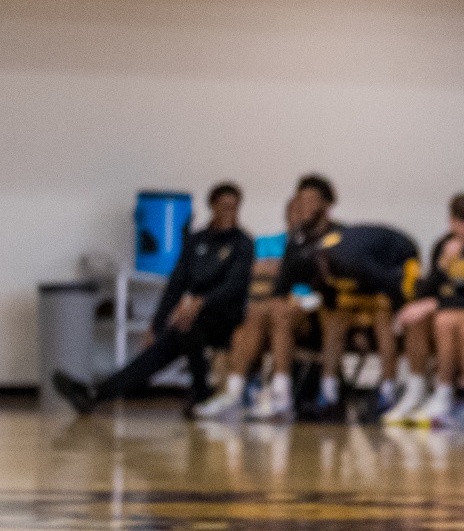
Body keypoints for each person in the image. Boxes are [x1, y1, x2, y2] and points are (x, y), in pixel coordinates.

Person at [54, 183, 254, 416]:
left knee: (187, 327)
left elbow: (233, 286)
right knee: (161, 348)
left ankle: (200, 394)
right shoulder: (196, 241)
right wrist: (156, 324)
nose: (229, 212)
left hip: (226, 319)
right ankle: (96, 394)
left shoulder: (242, 244)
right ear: (212, 207)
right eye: (224, 206)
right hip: (191, 318)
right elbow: (176, 283)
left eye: (234, 207)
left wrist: (200, 302)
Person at [195, 174, 337, 420]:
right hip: (284, 309)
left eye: (309, 203)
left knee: (279, 310)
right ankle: (235, 392)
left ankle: (282, 395)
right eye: (298, 206)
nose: (302, 211)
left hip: (322, 310)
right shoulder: (295, 241)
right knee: (259, 312)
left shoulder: (336, 236)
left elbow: (328, 285)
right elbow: (279, 283)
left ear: (325, 205)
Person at [385, 194, 464, 427]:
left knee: (444, 320)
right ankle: (416, 389)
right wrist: (443, 264)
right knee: (415, 318)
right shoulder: (442, 246)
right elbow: (425, 293)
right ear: (452, 221)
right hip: (451, 310)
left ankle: (446, 392)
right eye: (463, 222)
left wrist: (437, 304)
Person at [294, 221, 423, 423]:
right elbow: (329, 298)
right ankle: (329, 390)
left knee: (383, 314)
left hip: (398, 259)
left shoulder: (348, 260)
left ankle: (388, 390)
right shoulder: (320, 261)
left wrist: (399, 314)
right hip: (368, 270)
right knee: (335, 318)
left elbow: (389, 284)